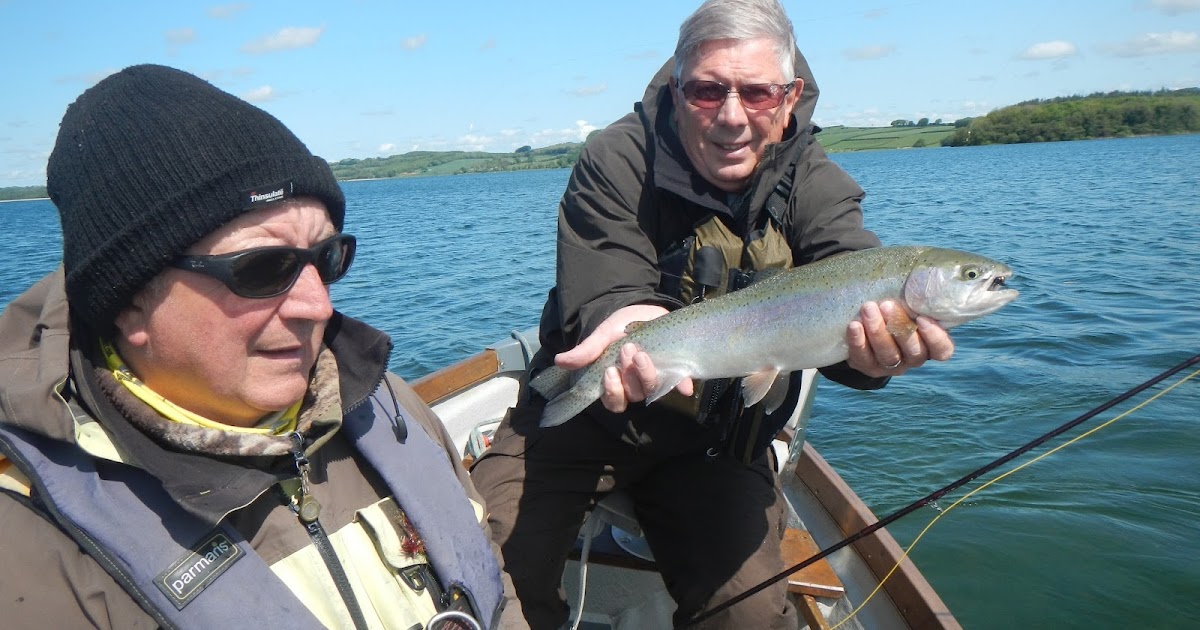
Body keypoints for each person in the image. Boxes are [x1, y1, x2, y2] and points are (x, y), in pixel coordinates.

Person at [470, 0, 957, 628]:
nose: (732, 117)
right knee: (480, 565)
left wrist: (880, 352)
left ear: (788, 99)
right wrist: (621, 320)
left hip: (717, 437)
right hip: (585, 414)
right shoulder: (615, 158)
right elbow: (605, 284)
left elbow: (851, 271)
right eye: (707, 91)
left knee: (750, 615)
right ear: (677, 92)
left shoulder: (816, 183)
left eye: (756, 94)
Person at [0, 64, 525, 629]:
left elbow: (495, 591)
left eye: (327, 259)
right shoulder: (30, 545)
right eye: (261, 267)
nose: (318, 306)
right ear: (129, 301)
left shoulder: (388, 407)